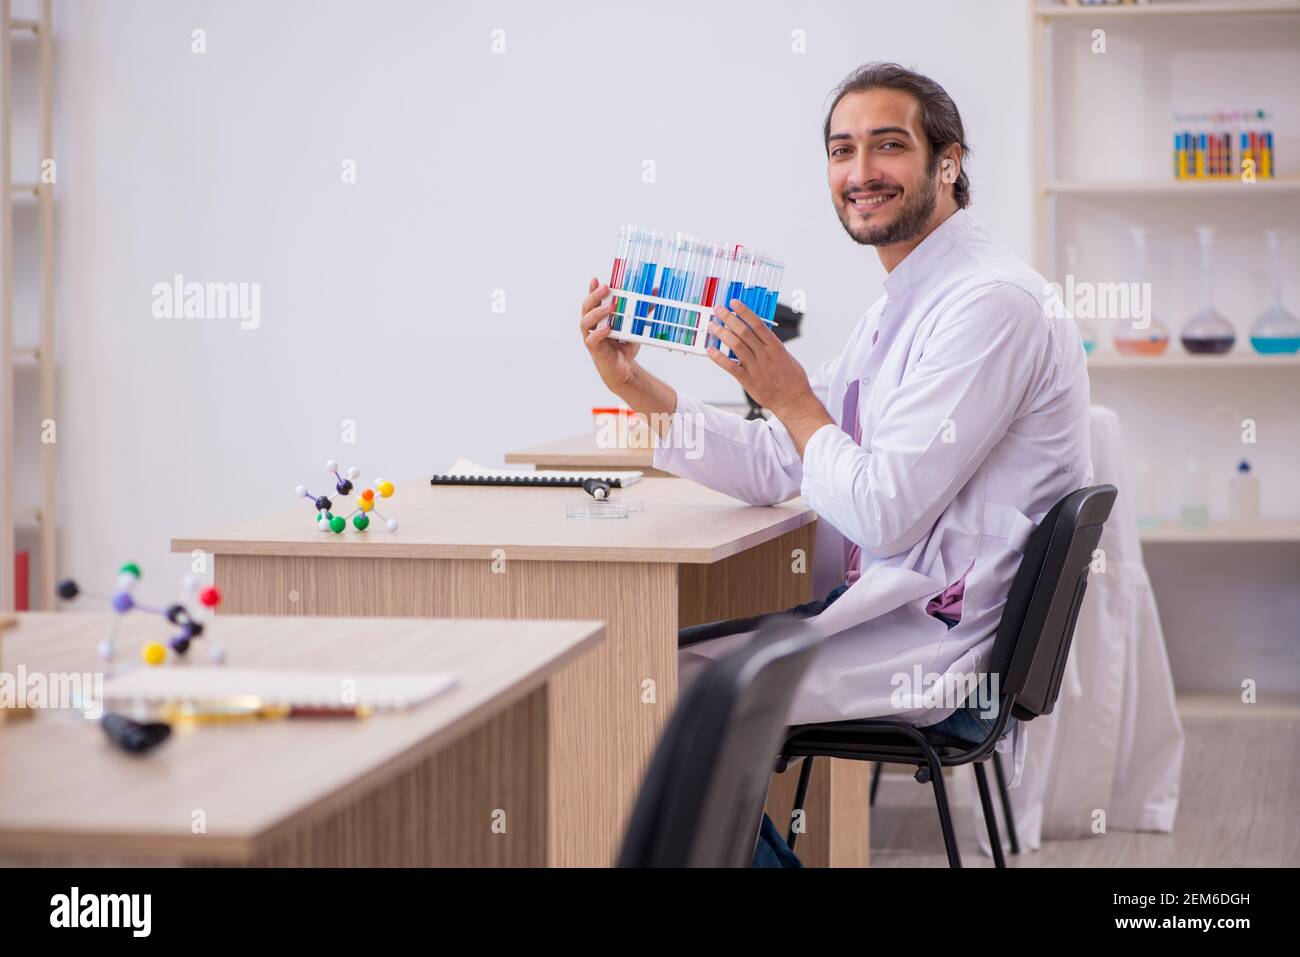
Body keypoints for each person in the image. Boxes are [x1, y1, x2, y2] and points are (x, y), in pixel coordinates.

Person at [578, 63, 1091, 866]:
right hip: (897, 620)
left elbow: (882, 508)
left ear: (948, 162)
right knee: (646, 674)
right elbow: (778, 462)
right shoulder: (903, 303)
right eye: (841, 150)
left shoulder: (990, 304)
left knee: (644, 686)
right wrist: (636, 385)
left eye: (888, 146)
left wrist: (790, 397)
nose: (860, 174)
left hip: (942, 654)